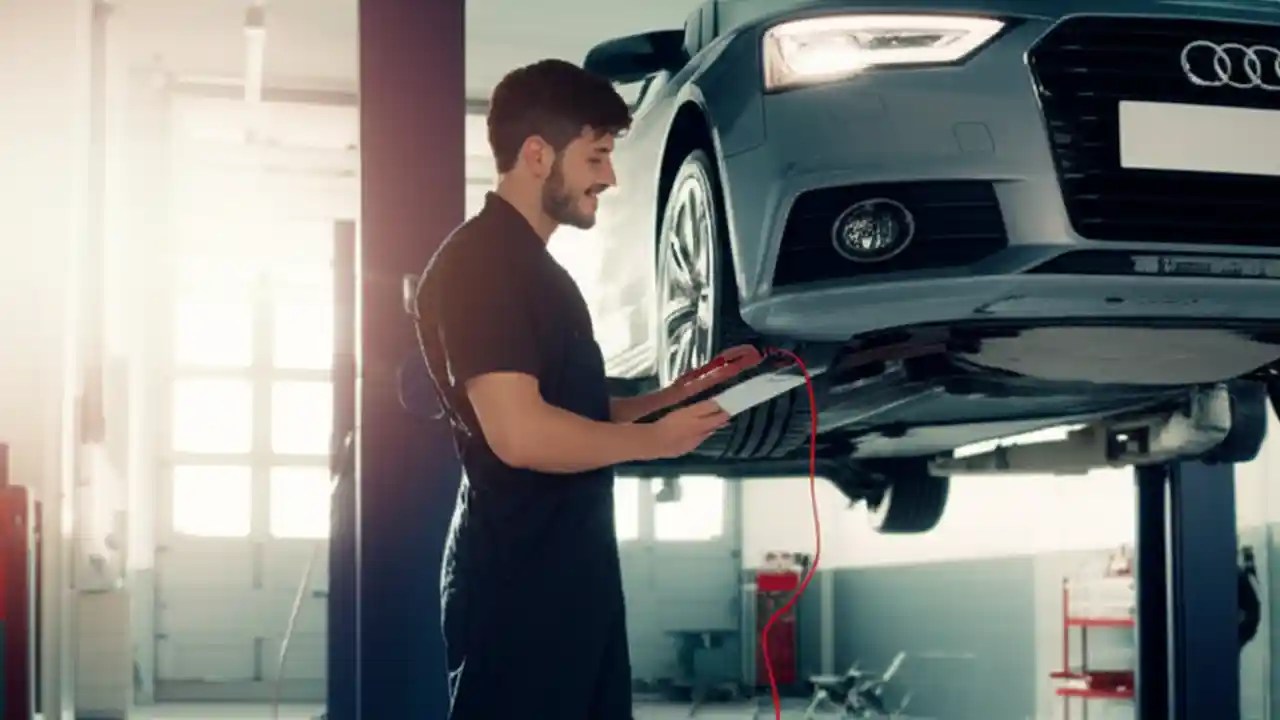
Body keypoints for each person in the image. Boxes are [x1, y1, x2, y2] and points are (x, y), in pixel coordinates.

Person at [413, 59, 760, 719]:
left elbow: (569, 409)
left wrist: (675, 394)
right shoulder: (480, 267)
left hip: (571, 575)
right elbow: (521, 434)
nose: (610, 176)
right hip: (520, 587)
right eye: (596, 156)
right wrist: (654, 443)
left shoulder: (540, 273)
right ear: (539, 155)